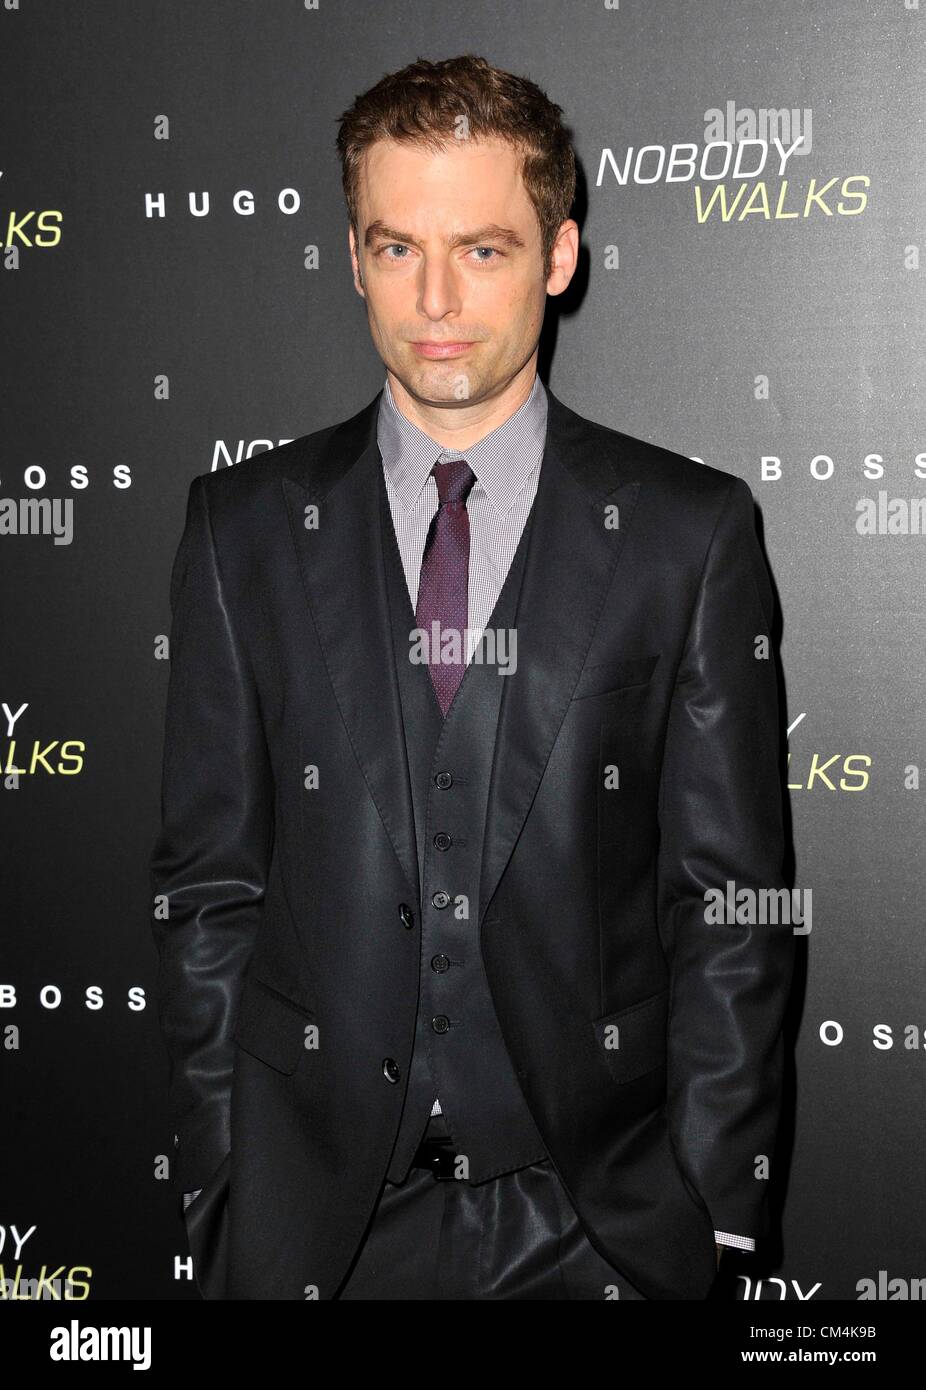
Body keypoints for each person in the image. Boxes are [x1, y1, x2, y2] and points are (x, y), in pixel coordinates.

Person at [150, 54, 795, 1300]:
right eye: (396, 248)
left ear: (558, 256)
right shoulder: (241, 529)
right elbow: (208, 889)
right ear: (350, 255)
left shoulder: (686, 532)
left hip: (599, 1227)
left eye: (484, 250)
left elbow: (732, 905)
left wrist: (710, 1211)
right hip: (314, 1238)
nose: (434, 297)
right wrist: (215, 1179)